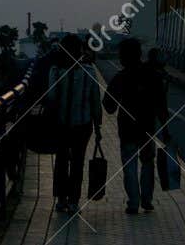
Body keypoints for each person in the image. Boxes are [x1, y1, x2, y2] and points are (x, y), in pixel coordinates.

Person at [103, 39, 166, 214]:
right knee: (147, 163)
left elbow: (108, 105)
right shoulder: (153, 75)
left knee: (129, 165)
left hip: (127, 128)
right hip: (147, 128)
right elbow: (161, 105)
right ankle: (147, 200)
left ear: (123, 57)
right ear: (140, 54)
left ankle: (133, 202)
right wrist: (166, 131)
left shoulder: (121, 77)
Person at [42, 33, 102, 215]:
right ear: (80, 51)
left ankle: (61, 200)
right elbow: (95, 102)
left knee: (61, 161)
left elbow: (51, 98)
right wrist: (98, 126)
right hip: (83, 125)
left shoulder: (55, 71)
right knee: (78, 162)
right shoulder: (89, 72)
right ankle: (74, 202)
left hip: (61, 124)